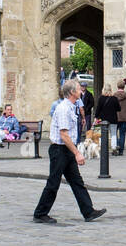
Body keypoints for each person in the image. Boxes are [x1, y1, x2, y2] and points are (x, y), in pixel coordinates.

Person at [33, 78, 107, 225]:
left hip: (66, 149)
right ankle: (40, 213)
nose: (81, 91)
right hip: (59, 149)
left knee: (76, 181)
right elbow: (64, 135)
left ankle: (88, 211)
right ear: (72, 92)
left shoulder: (72, 106)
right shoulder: (64, 109)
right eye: (79, 89)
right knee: (53, 182)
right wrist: (77, 153)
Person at [95, 90, 119, 155]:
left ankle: (103, 148)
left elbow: (98, 109)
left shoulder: (101, 98)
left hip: (104, 119)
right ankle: (114, 148)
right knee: (113, 134)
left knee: (103, 134)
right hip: (113, 119)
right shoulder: (114, 98)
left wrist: (96, 117)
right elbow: (119, 108)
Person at [113, 81, 126, 156]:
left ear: (117, 86)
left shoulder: (114, 96)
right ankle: (121, 150)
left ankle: (116, 145)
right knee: (122, 134)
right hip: (124, 118)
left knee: (114, 133)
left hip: (115, 118)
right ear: (124, 87)